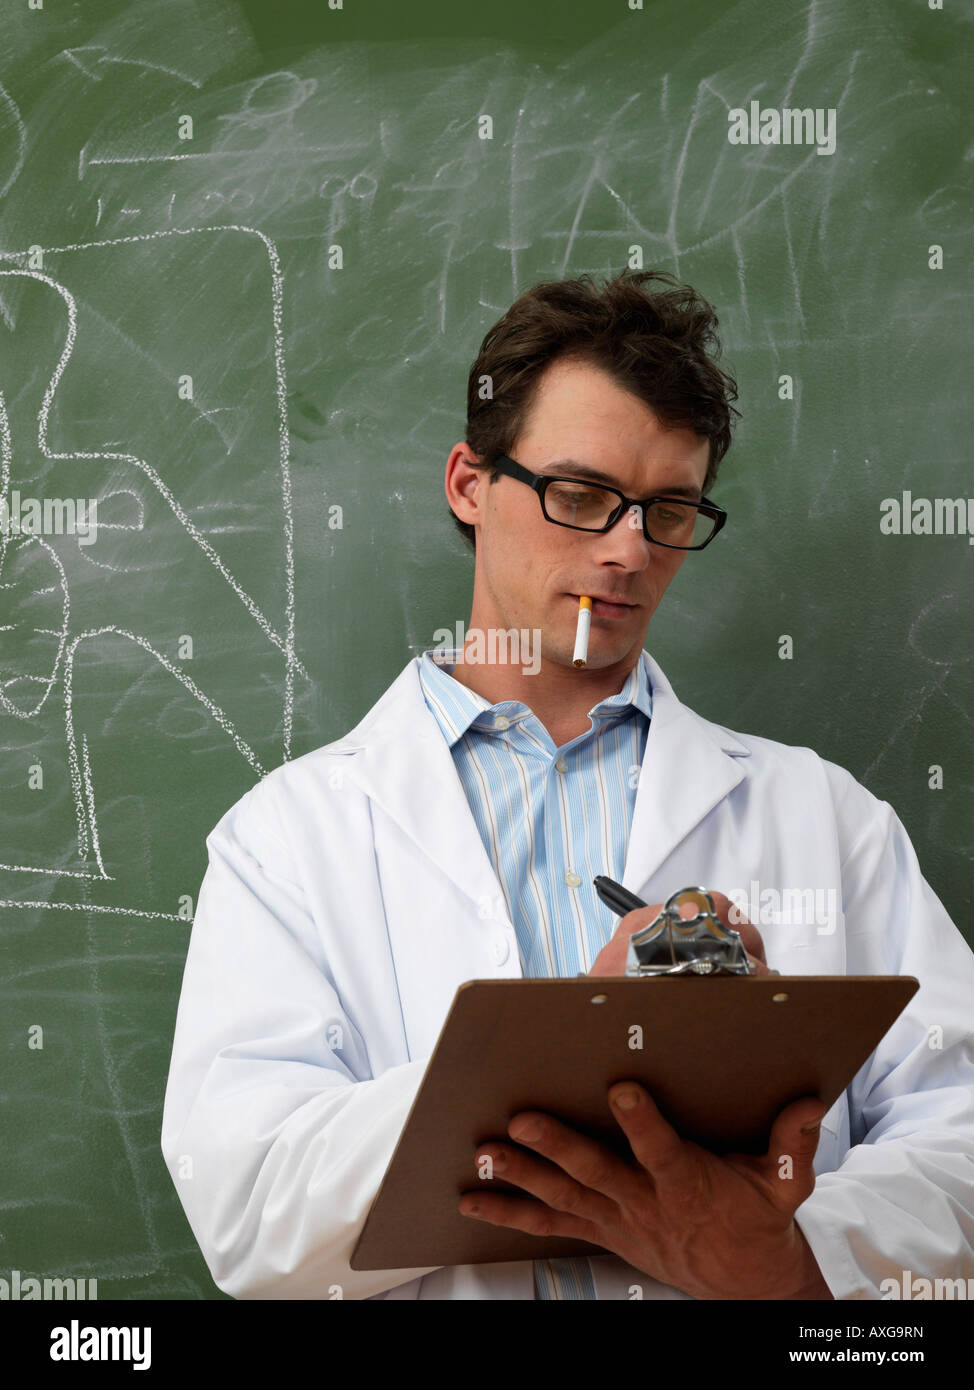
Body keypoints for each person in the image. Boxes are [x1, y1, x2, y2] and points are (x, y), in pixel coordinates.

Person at [161, 270, 974, 1301]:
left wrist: (789, 1256)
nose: (628, 549)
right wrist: (579, 1029)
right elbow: (251, 1211)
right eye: (581, 496)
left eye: (667, 509)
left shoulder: (822, 819)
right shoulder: (287, 837)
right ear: (468, 483)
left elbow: (962, 1133)